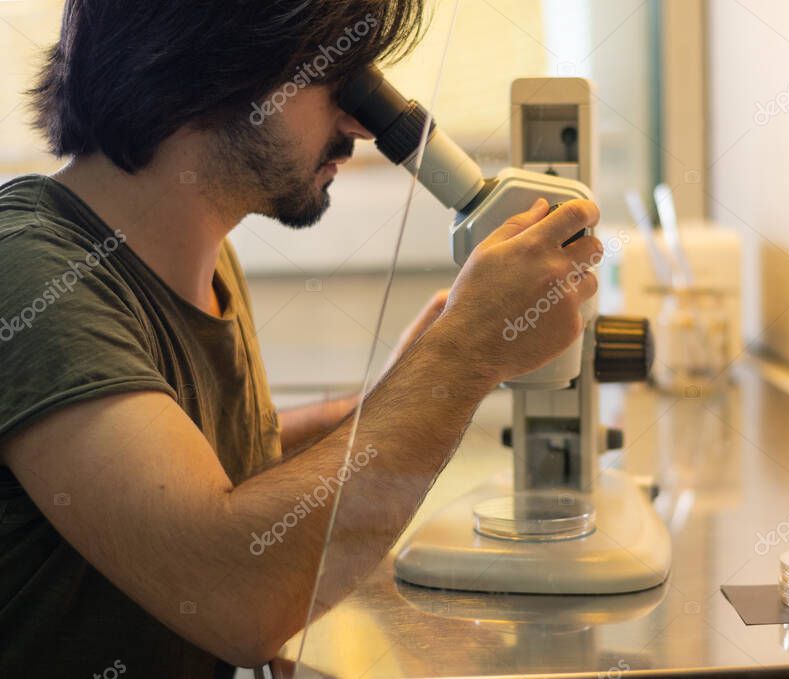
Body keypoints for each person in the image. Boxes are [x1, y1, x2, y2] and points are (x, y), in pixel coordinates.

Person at [0, 1, 602, 677]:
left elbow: (205, 477)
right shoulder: (28, 273)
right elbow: (237, 597)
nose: (360, 124)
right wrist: (460, 357)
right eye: (336, 80)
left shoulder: (202, 261)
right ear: (207, 68)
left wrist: (402, 388)